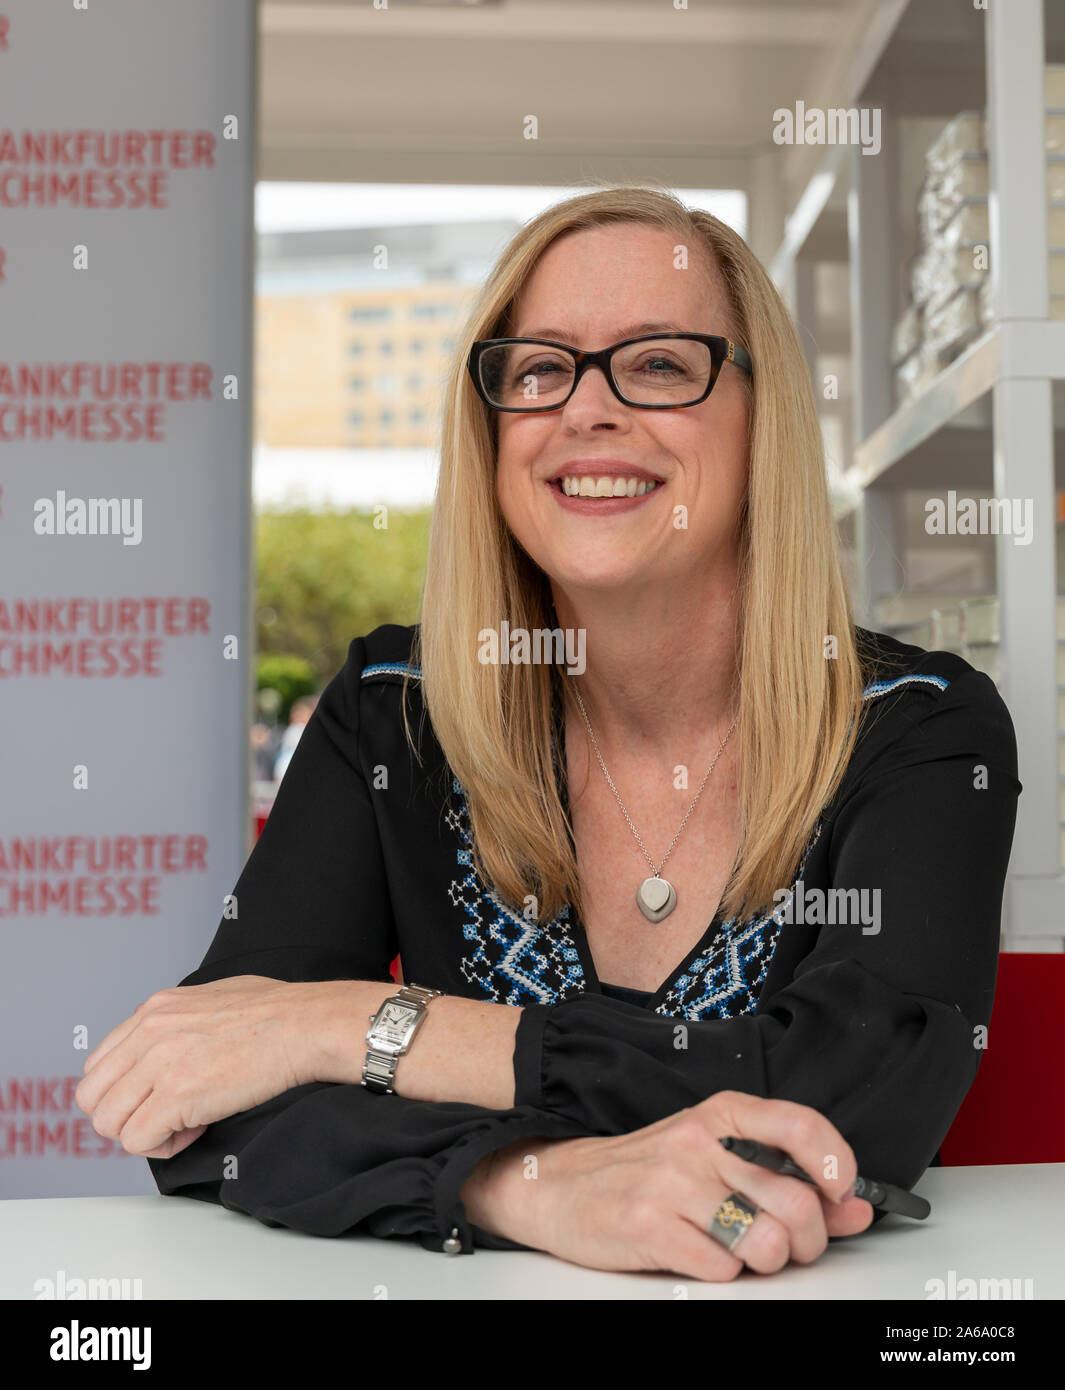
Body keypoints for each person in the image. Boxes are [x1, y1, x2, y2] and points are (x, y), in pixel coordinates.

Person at [73, 185, 1020, 1282]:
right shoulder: (395, 706)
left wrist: (349, 1026)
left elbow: (849, 1098)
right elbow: (208, 1110)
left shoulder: (923, 728)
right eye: (537, 370)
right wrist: (523, 1186)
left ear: (767, 417)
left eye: (660, 363)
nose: (587, 410)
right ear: (490, 435)